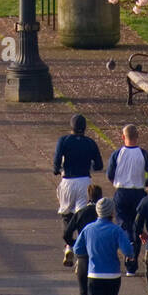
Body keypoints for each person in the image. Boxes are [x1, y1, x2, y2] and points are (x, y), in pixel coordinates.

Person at [73, 197, 133, 295]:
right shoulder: (116, 230)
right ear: (111, 212)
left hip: (94, 274)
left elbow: (77, 249)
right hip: (113, 275)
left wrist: (89, 252)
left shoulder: (88, 229)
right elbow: (127, 250)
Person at [53, 113, 103, 266]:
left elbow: (56, 162)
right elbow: (99, 165)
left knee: (66, 214)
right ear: (85, 128)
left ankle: (69, 246)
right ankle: (82, 252)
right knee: (82, 216)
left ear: (71, 127)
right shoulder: (90, 143)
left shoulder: (64, 141)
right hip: (84, 182)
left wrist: (57, 169)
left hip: (68, 181)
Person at [106, 124, 148, 275]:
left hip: (121, 192)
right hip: (138, 193)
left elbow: (110, 174)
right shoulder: (144, 154)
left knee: (123, 224)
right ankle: (132, 263)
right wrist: (146, 182)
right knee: (137, 225)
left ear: (123, 137)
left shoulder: (117, 154)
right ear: (137, 136)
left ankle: (128, 247)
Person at [63, 182, 102, 295]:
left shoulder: (81, 212)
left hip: (82, 256)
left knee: (83, 291)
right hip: (98, 257)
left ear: (88, 196)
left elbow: (66, 234)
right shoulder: (102, 214)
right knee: (97, 293)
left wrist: (74, 244)